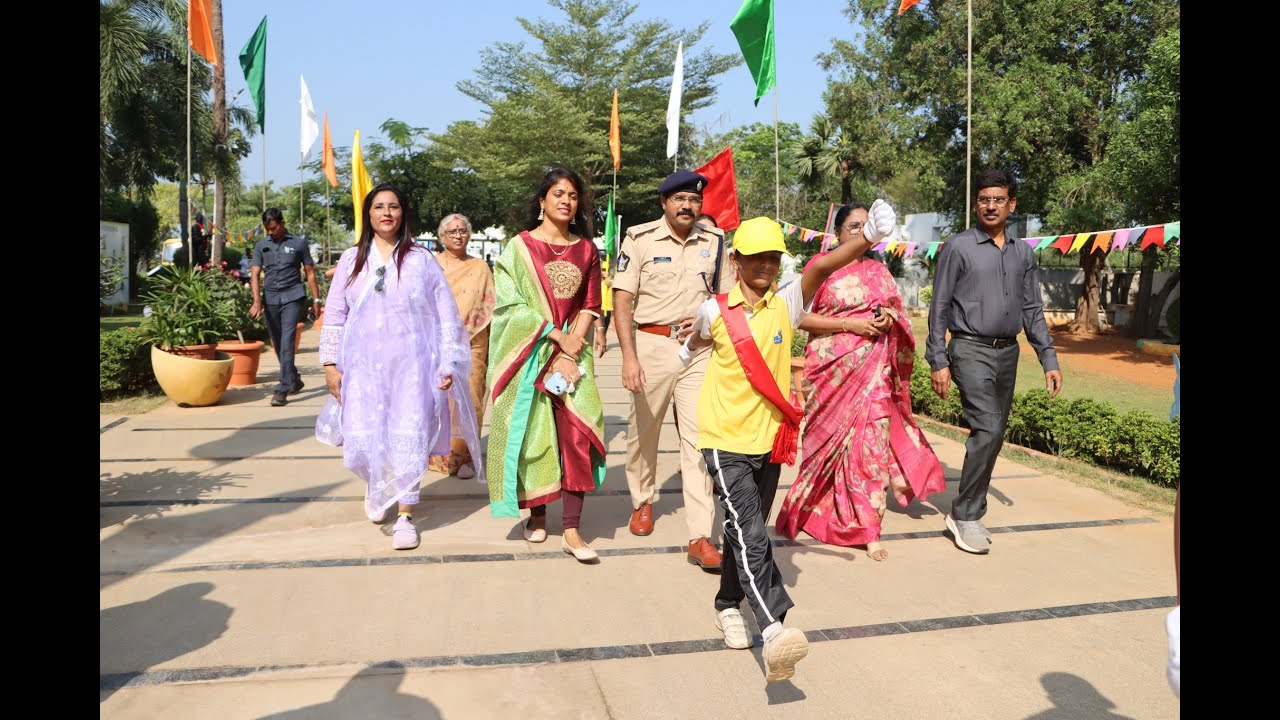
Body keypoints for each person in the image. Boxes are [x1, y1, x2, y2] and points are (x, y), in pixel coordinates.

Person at [679, 203, 897, 681]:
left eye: (773, 259)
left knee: (741, 529)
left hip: (769, 439)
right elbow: (695, 340)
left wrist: (869, 238)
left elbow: (821, 265)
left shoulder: (786, 304)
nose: (765, 267)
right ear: (735, 260)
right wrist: (683, 349)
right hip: (722, 438)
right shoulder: (712, 311)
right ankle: (775, 625)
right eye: (755, 258)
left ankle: (727, 603)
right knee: (752, 529)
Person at [314, 182, 483, 551]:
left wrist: (447, 361)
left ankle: (406, 515)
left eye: (393, 206)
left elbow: (445, 315)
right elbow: (335, 314)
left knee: (409, 437)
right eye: (378, 206)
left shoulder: (421, 261)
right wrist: (330, 364)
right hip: (361, 370)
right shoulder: (351, 259)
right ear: (368, 214)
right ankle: (377, 485)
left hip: (412, 370)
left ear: (403, 213)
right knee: (362, 442)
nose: (386, 212)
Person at [775, 203, 946, 561]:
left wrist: (888, 320)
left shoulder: (880, 271)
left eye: (866, 226)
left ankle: (869, 530)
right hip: (830, 375)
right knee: (824, 448)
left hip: (874, 374)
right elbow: (798, 318)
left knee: (870, 451)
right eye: (853, 227)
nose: (860, 232)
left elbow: (896, 312)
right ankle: (812, 513)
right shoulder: (821, 269)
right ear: (837, 233)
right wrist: (847, 325)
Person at [926, 168, 1064, 555]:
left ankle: (970, 509)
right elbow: (938, 307)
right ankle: (965, 514)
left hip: (1009, 353)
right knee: (986, 427)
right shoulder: (958, 247)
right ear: (975, 203)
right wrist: (938, 358)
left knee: (996, 433)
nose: (990, 205)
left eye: (998, 199)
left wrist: (1048, 358)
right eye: (984, 199)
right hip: (969, 348)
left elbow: (1033, 309)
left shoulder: (1023, 252)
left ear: (1011, 204)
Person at [485, 168, 606, 563]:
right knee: (534, 437)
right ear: (542, 201)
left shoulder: (587, 249)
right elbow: (508, 305)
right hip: (531, 354)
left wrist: (571, 351)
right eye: (558, 193)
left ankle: (571, 529)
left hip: (572, 358)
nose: (566, 201)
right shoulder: (518, 249)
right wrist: (554, 337)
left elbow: (590, 304)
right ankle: (537, 514)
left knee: (575, 436)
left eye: (573, 195)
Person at [612, 171, 731, 571]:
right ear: (663, 202)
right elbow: (623, 300)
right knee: (643, 432)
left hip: (698, 350)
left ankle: (700, 535)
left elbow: (725, 298)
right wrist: (629, 357)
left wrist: (709, 332)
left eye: (694, 201)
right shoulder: (641, 238)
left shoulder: (714, 242)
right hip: (651, 346)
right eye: (679, 199)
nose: (687, 206)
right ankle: (642, 502)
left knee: (699, 440)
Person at [428, 213, 496, 480]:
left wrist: (467, 329)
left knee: (471, 399)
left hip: (473, 341)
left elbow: (490, 304)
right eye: (452, 231)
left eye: (462, 231)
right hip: (438, 342)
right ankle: (441, 455)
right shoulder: (432, 265)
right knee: (441, 401)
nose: (458, 235)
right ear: (442, 236)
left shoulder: (480, 267)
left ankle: (467, 456)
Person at [250, 208, 321, 407]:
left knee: (288, 341)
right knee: (278, 343)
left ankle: (282, 389)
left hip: (293, 297)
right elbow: (255, 274)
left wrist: (316, 300)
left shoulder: (298, 243)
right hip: (270, 299)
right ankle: (294, 379)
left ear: (281, 222)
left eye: (273, 228)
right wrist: (257, 301)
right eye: (267, 229)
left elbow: (310, 273)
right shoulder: (261, 245)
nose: (270, 232)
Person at [594, 258, 613, 357]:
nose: (603, 272)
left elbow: (610, 284)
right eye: (602, 269)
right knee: (600, 326)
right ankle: (598, 341)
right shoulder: (596, 280)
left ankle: (602, 341)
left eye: (605, 270)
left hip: (608, 307)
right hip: (599, 307)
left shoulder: (608, 280)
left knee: (606, 324)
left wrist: (605, 278)